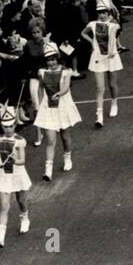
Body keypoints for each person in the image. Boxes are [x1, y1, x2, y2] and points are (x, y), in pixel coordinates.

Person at [34, 41, 80, 180]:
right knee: (50, 140)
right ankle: (48, 171)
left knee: (65, 137)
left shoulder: (66, 72)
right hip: (49, 109)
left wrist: (60, 93)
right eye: (48, 60)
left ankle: (67, 157)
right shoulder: (42, 72)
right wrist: (42, 105)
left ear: (57, 58)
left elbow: (66, 87)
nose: (51, 63)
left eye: (53, 59)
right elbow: (40, 89)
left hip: (63, 108)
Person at [0, 104, 31, 247]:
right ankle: (0, 236)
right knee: (4, 206)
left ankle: (24, 217)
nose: (9, 129)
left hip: (18, 174)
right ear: (2, 126)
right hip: (4, 176)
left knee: (21, 201)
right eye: (6, 126)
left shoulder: (20, 140)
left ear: (15, 125)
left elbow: (22, 160)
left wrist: (15, 160)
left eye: (11, 126)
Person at [82, 5, 122, 127]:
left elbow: (113, 38)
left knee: (112, 84)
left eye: (104, 12)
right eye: (99, 12)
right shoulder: (93, 24)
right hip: (98, 57)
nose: (101, 15)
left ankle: (114, 103)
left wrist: (111, 50)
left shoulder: (114, 24)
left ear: (108, 13)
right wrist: (92, 43)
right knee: (100, 88)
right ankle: (99, 117)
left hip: (111, 57)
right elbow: (83, 33)